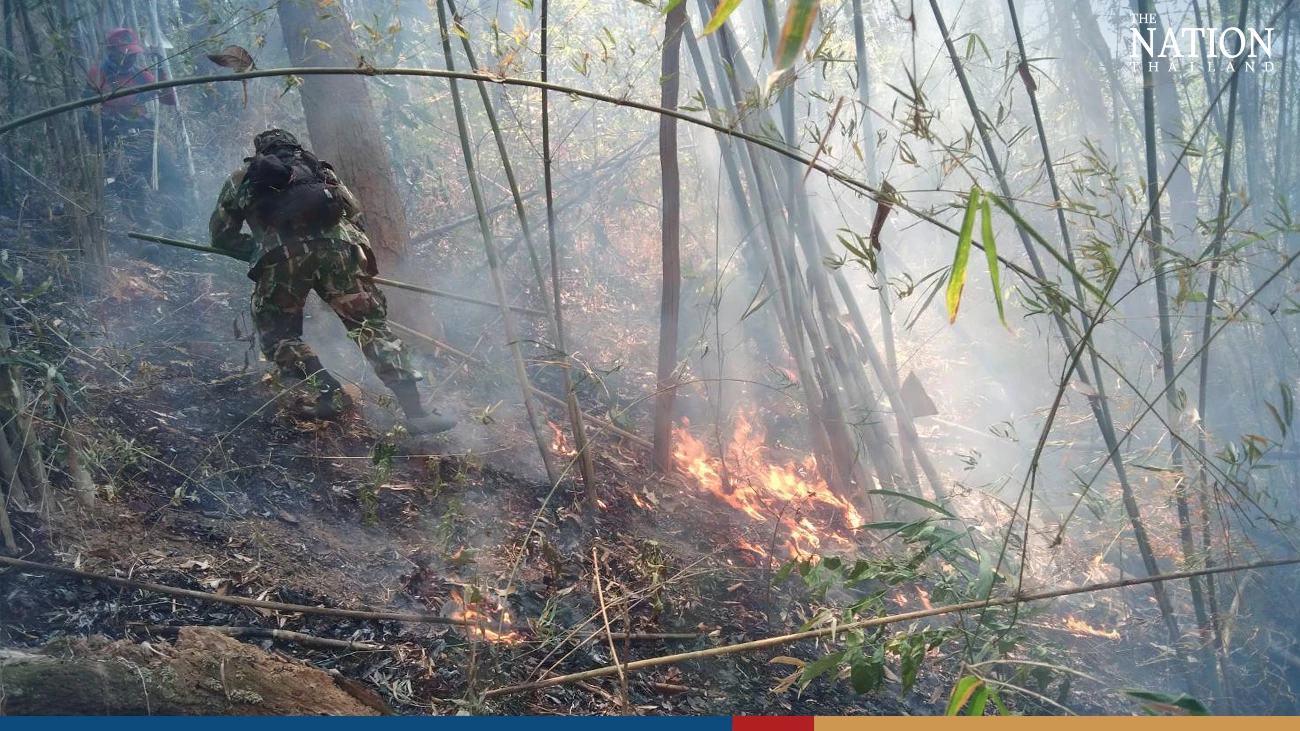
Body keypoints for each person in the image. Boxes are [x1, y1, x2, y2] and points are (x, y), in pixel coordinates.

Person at [209, 128, 456, 435]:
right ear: (296, 148)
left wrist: (258, 250)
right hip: (342, 253)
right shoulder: (320, 172)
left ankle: (331, 394)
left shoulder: (241, 178)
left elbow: (221, 236)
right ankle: (417, 414)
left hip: (282, 259)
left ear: (260, 152)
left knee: (280, 336)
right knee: (370, 329)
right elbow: (355, 215)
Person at [85, 27, 185, 234]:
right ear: (112, 52)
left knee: (171, 175)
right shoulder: (99, 74)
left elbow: (170, 100)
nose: (130, 59)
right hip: (115, 138)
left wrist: (162, 72)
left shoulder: (140, 74)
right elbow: (89, 111)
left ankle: (172, 228)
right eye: (126, 54)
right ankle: (142, 233)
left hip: (143, 134)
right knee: (130, 186)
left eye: (133, 54)